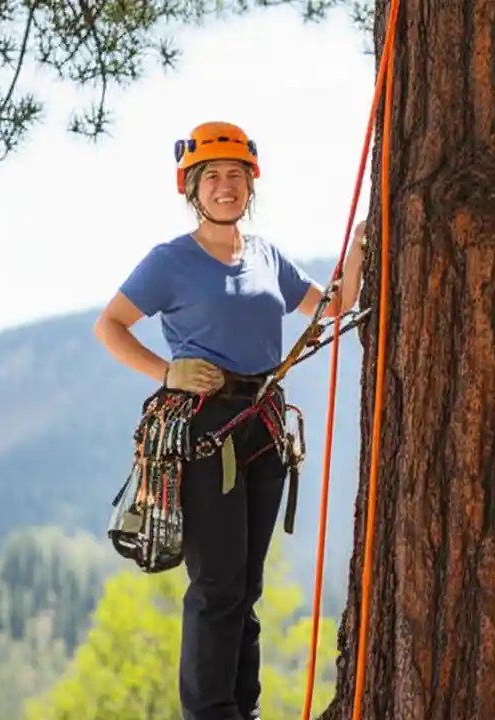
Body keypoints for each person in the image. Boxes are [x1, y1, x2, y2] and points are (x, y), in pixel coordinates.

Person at [93, 120, 366, 720]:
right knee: (217, 586)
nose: (225, 186)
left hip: (261, 424)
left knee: (246, 588)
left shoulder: (267, 255)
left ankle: (245, 711)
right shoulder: (170, 261)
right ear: (191, 189)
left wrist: (362, 246)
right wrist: (167, 372)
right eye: (212, 177)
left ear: (250, 185)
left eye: (235, 176)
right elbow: (109, 325)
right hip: (203, 427)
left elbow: (332, 305)